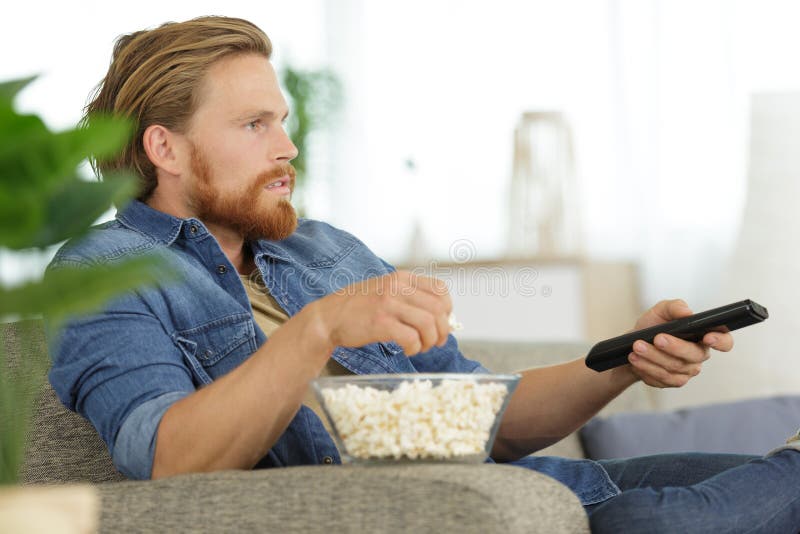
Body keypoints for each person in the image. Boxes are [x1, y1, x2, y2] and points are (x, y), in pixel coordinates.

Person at [45, 16, 800, 533]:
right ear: (166, 149)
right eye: (254, 124)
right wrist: (318, 328)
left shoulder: (322, 250)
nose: (287, 148)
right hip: (454, 507)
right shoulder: (99, 274)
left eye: (282, 121)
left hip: (536, 490)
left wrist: (624, 360)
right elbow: (171, 460)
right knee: (653, 523)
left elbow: (486, 415)